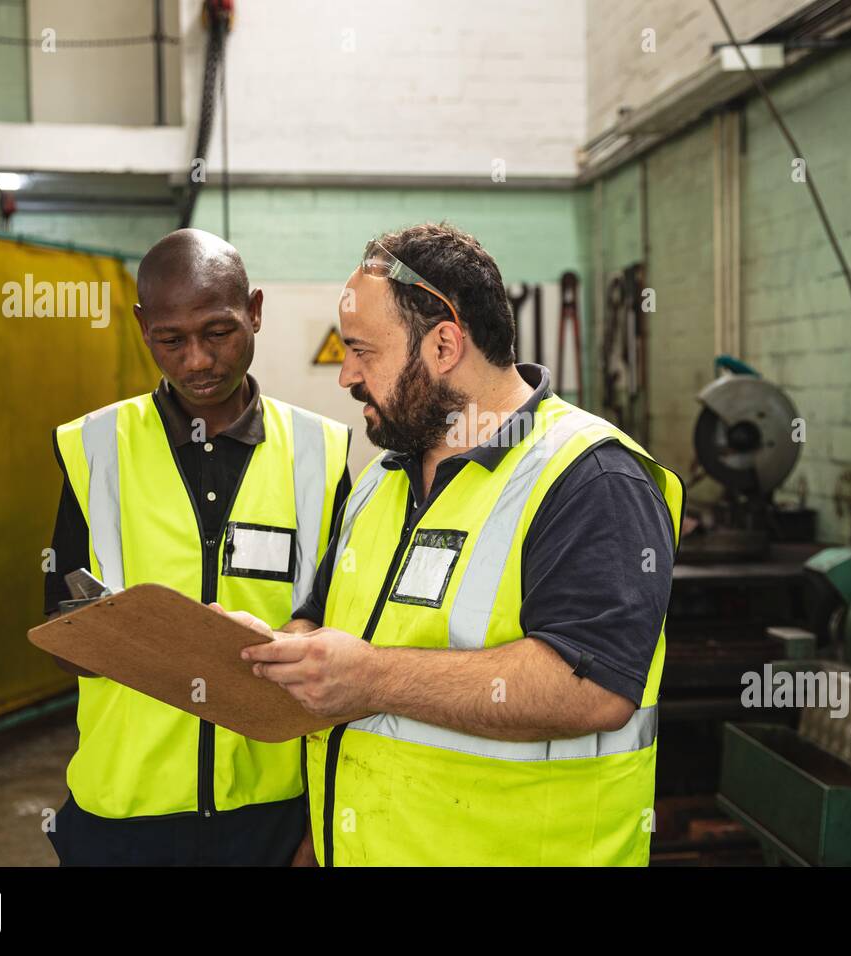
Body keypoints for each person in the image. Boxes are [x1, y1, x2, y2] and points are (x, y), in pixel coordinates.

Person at [224, 222, 684, 866]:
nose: (346, 376)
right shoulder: (381, 481)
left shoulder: (590, 478)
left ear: (443, 345)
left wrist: (373, 679)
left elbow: (593, 687)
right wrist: (277, 649)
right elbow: (327, 624)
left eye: (363, 351)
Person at [42, 228, 350, 865]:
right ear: (142, 326)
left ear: (255, 311)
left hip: (271, 814)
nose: (197, 362)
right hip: (125, 818)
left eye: (219, 332)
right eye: (170, 340)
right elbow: (58, 625)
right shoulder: (94, 449)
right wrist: (139, 639)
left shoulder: (321, 454)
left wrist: (318, 827)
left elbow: (344, 631)